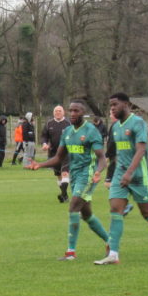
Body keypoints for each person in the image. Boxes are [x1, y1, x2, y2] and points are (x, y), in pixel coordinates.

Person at [93, 93, 148, 265]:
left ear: (126, 104)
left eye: (115, 104)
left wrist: (129, 173)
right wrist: (107, 171)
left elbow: (141, 150)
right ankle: (113, 253)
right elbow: (115, 153)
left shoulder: (137, 123)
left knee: (147, 213)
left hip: (138, 176)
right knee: (116, 209)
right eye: (110, 105)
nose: (112, 108)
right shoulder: (115, 127)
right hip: (120, 174)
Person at [31, 100, 111, 260]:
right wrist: (40, 164)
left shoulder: (91, 131)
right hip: (74, 176)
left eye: (77, 111)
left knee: (73, 206)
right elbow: (59, 157)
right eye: (71, 111)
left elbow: (102, 157)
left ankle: (70, 252)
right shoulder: (67, 132)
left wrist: (98, 171)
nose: (73, 114)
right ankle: (110, 241)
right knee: (86, 214)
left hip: (87, 175)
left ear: (83, 113)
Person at [41, 104, 71, 203]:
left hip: (66, 153)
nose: (57, 112)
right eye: (56, 111)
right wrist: (45, 144)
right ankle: (65, 195)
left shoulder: (68, 123)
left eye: (59, 111)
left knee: (65, 173)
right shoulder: (49, 124)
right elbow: (44, 136)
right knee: (58, 175)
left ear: (63, 112)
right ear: (53, 113)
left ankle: (63, 194)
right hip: (53, 154)